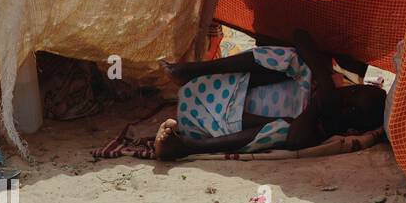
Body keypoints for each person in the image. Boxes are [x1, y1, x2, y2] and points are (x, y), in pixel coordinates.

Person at [153, 30, 385, 160]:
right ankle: (189, 70)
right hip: (215, 86)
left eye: (352, 109)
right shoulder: (329, 77)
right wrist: (324, 82)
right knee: (294, 60)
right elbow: (300, 36)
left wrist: (317, 104)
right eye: (353, 91)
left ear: (353, 128)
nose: (346, 99)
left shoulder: (327, 127)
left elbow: (296, 142)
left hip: (217, 124)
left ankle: (187, 147)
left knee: (286, 130)